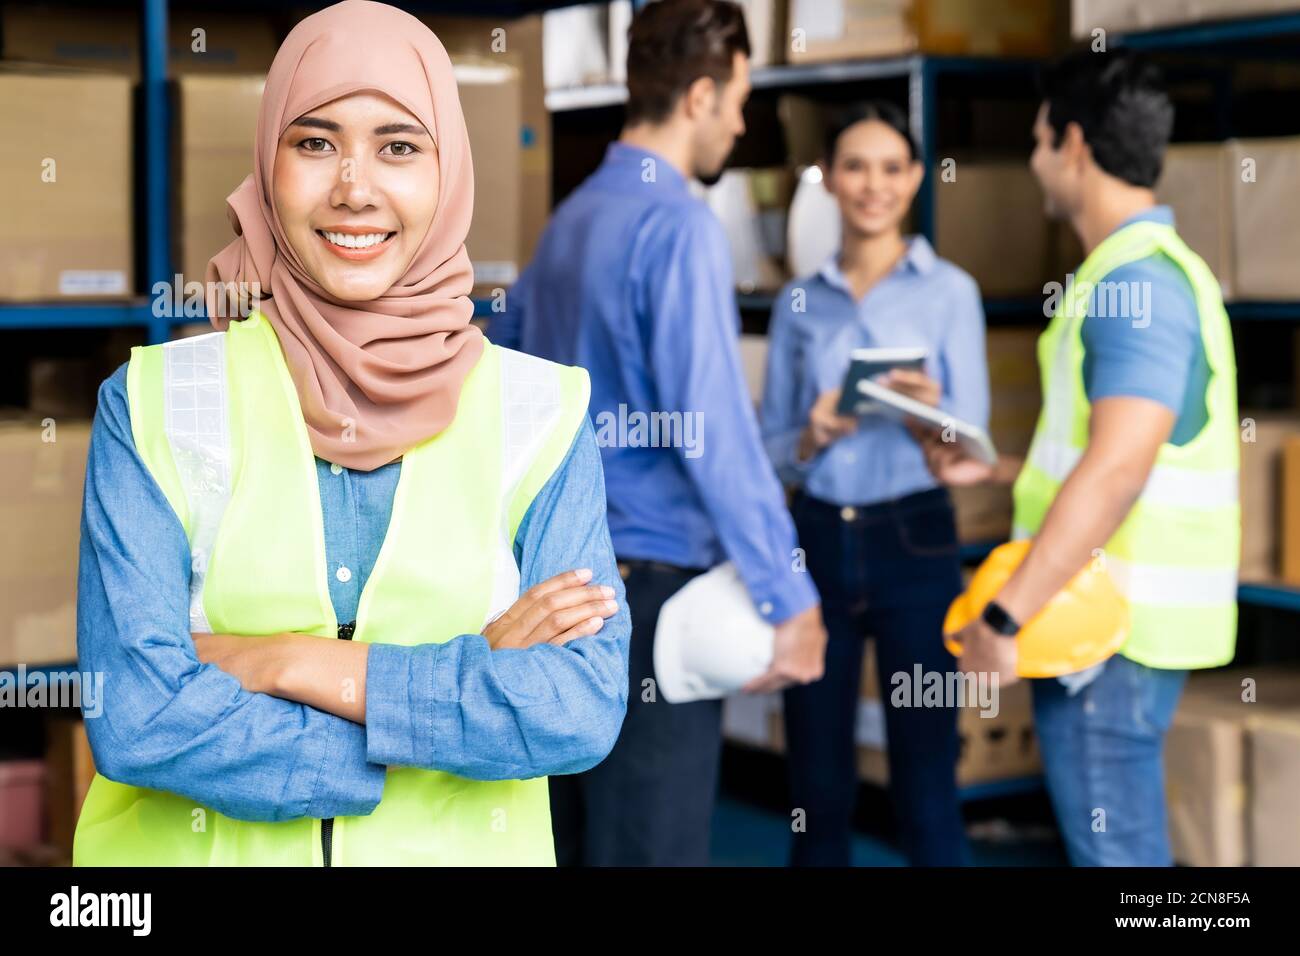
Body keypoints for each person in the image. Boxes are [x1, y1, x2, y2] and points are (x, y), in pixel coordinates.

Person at [73, 0, 631, 867]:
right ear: (267, 163)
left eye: (399, 146)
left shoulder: (541, 413)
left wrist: (287, 663)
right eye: (315, 142)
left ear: (449, 170)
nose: (355, 187)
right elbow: (139, 719)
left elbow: (576, 709)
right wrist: (445, 703)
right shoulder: (154, 404)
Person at [492, 0, 826, 867]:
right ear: (702, 96)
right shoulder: (677, 225)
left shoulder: (568, 225)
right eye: (742, 98)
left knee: (571, 840)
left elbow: (502, 383)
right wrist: (791, 596)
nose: (744, 122)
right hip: (649, 598)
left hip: (554, 588)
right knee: (652, 848)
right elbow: (714, 431)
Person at [915, 49, 1239, 867]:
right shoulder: (1134, 275)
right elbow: (1116, 450)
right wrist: (998, 470)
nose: (1031, 161)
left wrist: (1003, 617)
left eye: (1036, 141)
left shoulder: (1138, 288)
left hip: (1110, 636)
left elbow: (1120, 469)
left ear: (1076, 146)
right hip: (1108, 628)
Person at [759, 102, 988, 867]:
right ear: (828, 178)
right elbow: (769, 451)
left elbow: (975, 442)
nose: (874, 186)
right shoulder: (801, 301)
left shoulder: (951, 291)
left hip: (913, 537)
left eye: (893, 168)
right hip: (818, 538)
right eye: (856, 166)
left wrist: (937, 418)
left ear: (916, 177)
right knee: (815, 787)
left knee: (925, 780)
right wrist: (811, 434)